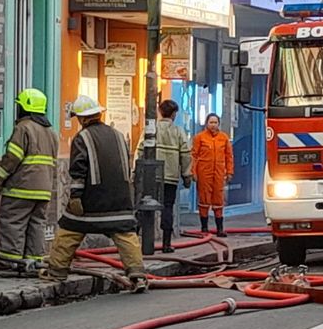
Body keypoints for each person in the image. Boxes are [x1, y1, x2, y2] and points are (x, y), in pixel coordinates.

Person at [40, 95, 147, 292]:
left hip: (92, 198)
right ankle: (137, 274)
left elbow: (78, 171)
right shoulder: (118, 135)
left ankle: (56, 271)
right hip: (120, 198)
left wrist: (75, 197)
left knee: (69, 230)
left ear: (82, 118)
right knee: (125, 234)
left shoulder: (82, 137)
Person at [0, 88, 58, 270]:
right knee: (37, 224)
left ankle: (10, 261)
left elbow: (13, 157)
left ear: (24, 108)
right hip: (43, 190)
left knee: (13, 223)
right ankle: (34, 261)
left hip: (21, 188)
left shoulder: (23, 128)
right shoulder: (51, 132)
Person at [136, 99, 192, 253]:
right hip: (170, 177)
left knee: (143, 207)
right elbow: (186, 155)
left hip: (151, 176)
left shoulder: (150, 129)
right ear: (174, 114)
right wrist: (186, 175)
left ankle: (134, 242)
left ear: (160, 112)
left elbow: (140, 150)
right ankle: (166, 244)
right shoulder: (178, 132)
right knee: (167, 208)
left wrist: (136, 172)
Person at [192, 113, 234, 236]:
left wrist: (229, 172)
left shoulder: (224, 138)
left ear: (219, 124)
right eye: (211, 122)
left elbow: (229, 157)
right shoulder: (199, 137)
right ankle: (204, 228)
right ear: (206, 123)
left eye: (215, 122)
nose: (213, 125)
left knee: (218, 199)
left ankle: (220, 229)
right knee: (204, 199)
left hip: (219, 173)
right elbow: (194, 156)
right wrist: (193, 172)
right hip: (204, 173)